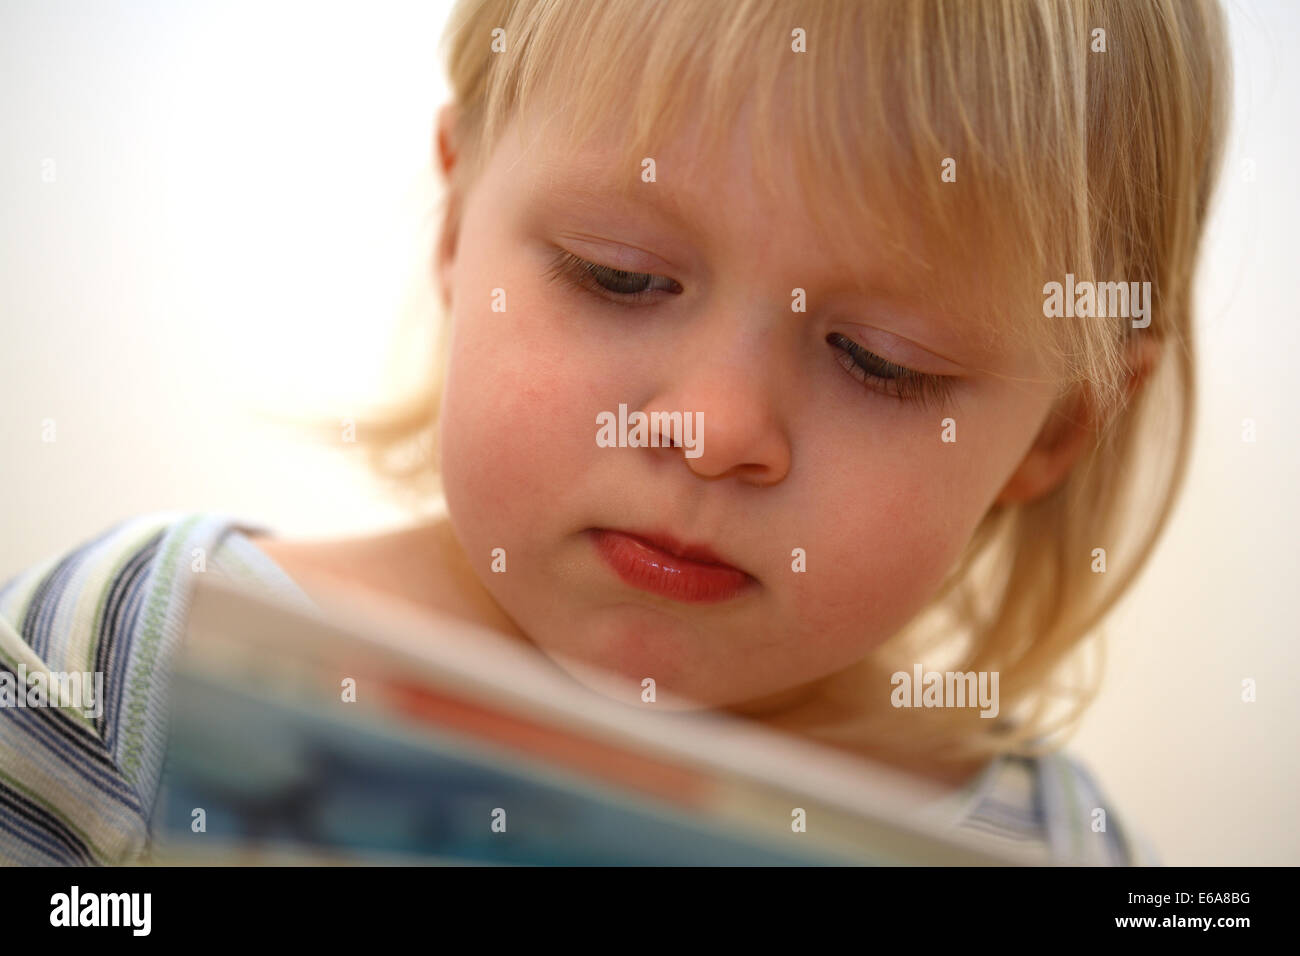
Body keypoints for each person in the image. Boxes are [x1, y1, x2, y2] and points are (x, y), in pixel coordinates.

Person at [1, 0, 1229, 865]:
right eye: (617, 276)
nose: (714, 430)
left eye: (879, 361)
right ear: (456, 220)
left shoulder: (1063, 854)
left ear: (1055, 428)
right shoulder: (117, 669)